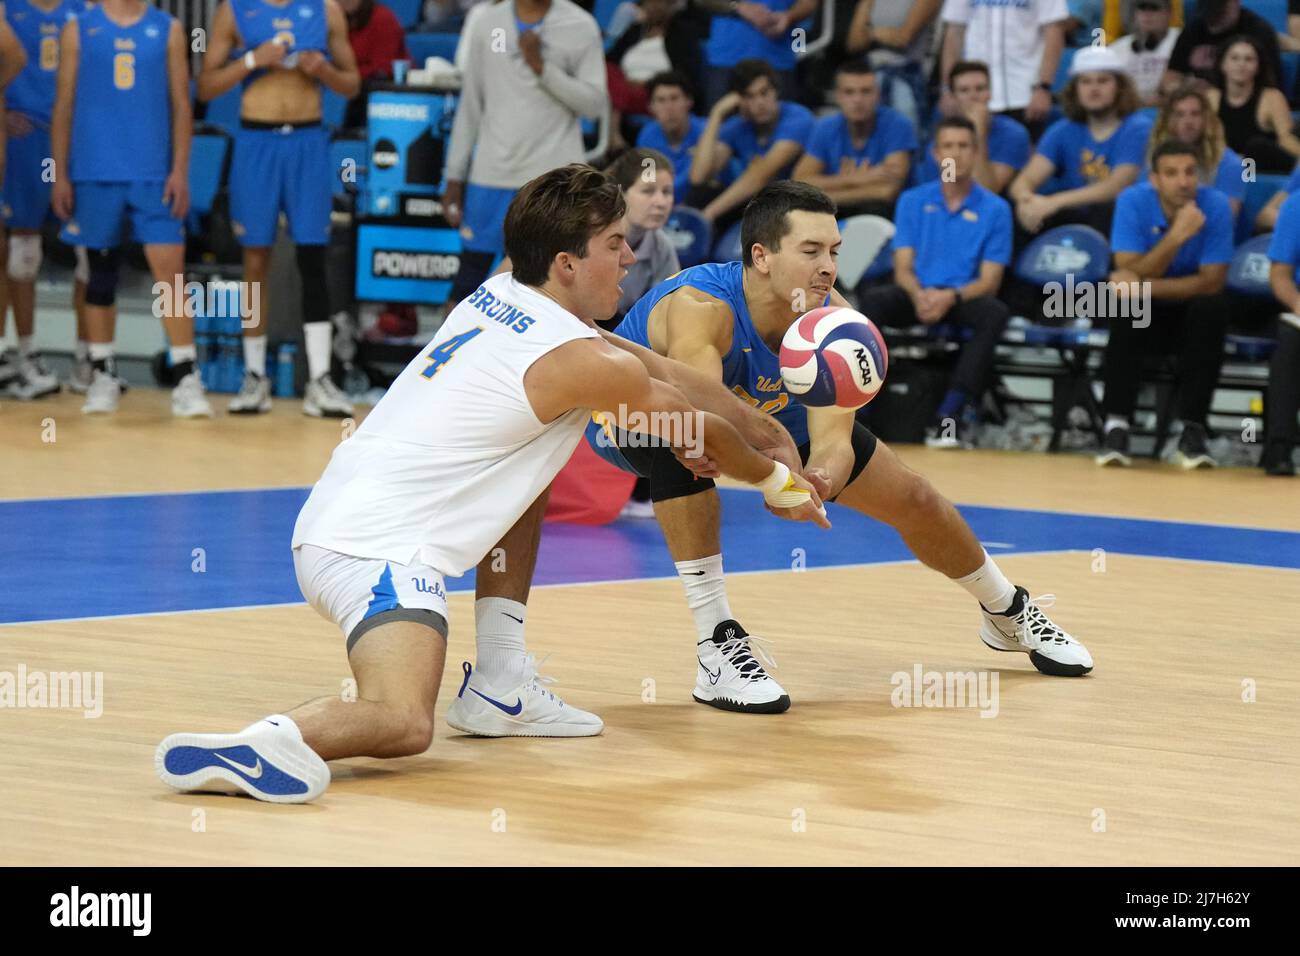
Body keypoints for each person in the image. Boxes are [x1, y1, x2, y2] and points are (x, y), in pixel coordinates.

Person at [155, 164, 828, 803]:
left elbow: (663, 371)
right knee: (403, 722)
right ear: (567, 263)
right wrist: (778, 481)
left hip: (338, 518)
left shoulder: (507, 287)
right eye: (616, 244)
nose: (631, 258)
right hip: (377, 552)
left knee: (527, 460)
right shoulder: (581, 361)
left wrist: (765, 431)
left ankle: (501, 684)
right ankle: (267, 741)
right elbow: (694, 429)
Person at [580, 180, 1093, 715]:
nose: (827, 266)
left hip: (767, 413)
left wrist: (818, 480)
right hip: (634, 414)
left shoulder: (835, 322)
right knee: (679, 448)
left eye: (833, 251)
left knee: (914, 497)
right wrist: (775, 479)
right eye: (810, 251)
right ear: (761, 256)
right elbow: (704, 427)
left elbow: (833, 442)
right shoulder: (701, 309)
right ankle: (717, 646)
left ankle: (1006, 609)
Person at [198, 0, 361, 418]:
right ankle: (254, 377)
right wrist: (254, 59)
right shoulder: (235, 10)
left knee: (312, 255)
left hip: (307, 142)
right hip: (256, 141)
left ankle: (320, 380)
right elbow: (206, 87)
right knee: (255, 258)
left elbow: (352, 84)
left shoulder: (325, 10)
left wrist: (322, 70)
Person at [50, 0, 212, 417]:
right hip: (93, 169)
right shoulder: (79, 28)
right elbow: (63, 104)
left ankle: (185, 375)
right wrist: (60, 174)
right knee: (99, 272)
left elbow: (181, 103)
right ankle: (103, 373)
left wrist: (179, 170)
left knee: (170, 270)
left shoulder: (169, 29)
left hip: (153, 172)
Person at [858, 117, 1013, 449]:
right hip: (918, 293)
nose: (955, 155)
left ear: (976, 152)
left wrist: (949, 298)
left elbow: (990, 281)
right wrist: (920, 296)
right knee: (873, 301)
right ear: (934, 153)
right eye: (948, 146)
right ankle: (862, 410)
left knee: (994, 312)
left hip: (961, 298)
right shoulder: (912, 200)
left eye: (963, 146)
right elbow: (902, 269)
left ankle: (949, 416)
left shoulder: (996, 209)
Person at [441, 0, 606, 310]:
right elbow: (470, 106)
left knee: (550, 289)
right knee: (468, 283)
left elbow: (594, 105)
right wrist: (454, 175)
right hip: (491, 173)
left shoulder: (579, 25)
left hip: (555, 181)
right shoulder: (487, 23)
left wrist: (543, 67)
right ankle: (456, 357)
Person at [1095, 139, 1234, 469]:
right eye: (1172, 173)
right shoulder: (1132, 200)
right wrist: (1175, 237)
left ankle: (1191, 430)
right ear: (1154, 179)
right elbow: (1125, 266)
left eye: (1189, 172)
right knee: (1127, 307)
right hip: (1148, 313)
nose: (1184, 181)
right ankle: (1116, 426)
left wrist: (1143, 285)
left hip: (1191, 314)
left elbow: (1212, 281)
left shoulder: (1215, 206)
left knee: (1211, 307)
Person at [1008, 45, 1151, 237]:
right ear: (1075, 89)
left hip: (1118, 218)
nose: (1093, 89)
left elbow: (1117, 186)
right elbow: (1025, 180)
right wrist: (1026, 201)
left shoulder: (1137, 128)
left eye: (1103, 81)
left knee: (1107, 209)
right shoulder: (1062, 130)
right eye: (1085, 82)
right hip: (1074, 213)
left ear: (1119, 88)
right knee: (1012, 210)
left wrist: (1054, 202)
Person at [688, 58, 814, 231]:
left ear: (776, 92)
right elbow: (698, 177)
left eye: (764, 93)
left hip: (795, 202)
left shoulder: (798, 118)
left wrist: (709, 213)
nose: (759, 103)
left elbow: (761, 175)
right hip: (760, 203)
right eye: (749, 96)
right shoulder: (738, 125)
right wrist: (716, 114)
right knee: (700, 195)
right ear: (739, 100)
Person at [791, 59, 916, 220]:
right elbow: (800, 183)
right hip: (836, 214)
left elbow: (886, 192)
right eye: (849, 92)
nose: (857, 100)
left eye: (865, 91)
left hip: (885, 217)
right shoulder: (824, 128)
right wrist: (857, 179)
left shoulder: (898, 125)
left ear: (877, 96)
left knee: (875, 208)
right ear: (837, 96)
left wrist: (823, 194)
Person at [939, 0, 1069, 140]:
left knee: (1024, 155)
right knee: (967, 153)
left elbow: (1054, 31)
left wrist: (1044, 87)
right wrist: (947, 89)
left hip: (1025, 92)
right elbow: (954, 31)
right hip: (975, 92)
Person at [914, 60, 1031, 195]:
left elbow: (987, 191)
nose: (973, 96)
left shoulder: (1013, 134)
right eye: (964, 90)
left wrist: (978, 132)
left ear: (990, 94)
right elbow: (951, 187)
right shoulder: (945, 138)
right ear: (953, 97)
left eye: (980, 89)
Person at [694, 0, 821, 108]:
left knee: (779, 130)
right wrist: (738, 7)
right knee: (720, 129)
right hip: (726, 58)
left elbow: (810, 2)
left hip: (776, 59)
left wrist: (789, 17)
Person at [1206, 34, 1300, 175]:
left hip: (1262, 168)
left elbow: (1286, 140)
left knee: (1256, 147)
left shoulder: (1272, 97)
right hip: (1227, 167)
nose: (1241, 64)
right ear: (1223, 64)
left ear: (1258, 67)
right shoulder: (1211, 98)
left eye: (1248, 59)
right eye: (1234, 58)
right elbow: (1207, 141)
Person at [1149, 84, 1245, 220]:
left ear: (1206, 119)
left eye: (1195, 114)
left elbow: (1225, 219)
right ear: (1167, 120)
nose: (1188, 122)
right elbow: (1145, 207)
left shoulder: (1231, 164)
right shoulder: (1154, 157)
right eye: (1179, 114)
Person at [844, 0, 943, 130]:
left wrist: (870, 32)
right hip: (871, 75)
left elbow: (903, 38)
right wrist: (883, 34)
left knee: (905, 132)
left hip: (908, 77)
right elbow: (853, 42)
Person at [1160, 0, 1283, 95]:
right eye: (1208, 12)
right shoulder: (1194, 28)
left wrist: (1216, 93)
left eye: (1219, 13)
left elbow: (1269, 87)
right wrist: (1182, 88)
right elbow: (1171, 74)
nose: (1212, 20)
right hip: (1195, 103)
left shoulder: (1259, 33)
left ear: (1235, 3)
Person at [1263, 189, 1300, 475]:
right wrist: (1298, 303)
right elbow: (1279, 275)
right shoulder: (1296, 204)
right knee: (1289, 337)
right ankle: (1279, 447)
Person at [635, 70, 704, 202]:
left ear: (689, 101)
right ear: (651, 107)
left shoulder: (706, 132)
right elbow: (648, 181)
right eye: (661, 100)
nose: (669, 107)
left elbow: (703, 182)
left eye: (674, 98)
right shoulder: (647, 136)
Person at [339, 0, 408, 128]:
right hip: (357, 82)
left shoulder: (383, 18)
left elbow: (384, 67)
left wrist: (346, 75)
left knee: (363, 87)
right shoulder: (336, 22)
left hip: (387, 87)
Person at [1109, 0, 1181, 106]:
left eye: (1154, 8)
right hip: (1129, 110)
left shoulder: (1182, 40)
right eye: (1142, 8)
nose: (1147, 14)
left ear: (1169, 13)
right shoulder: (1117, 48)